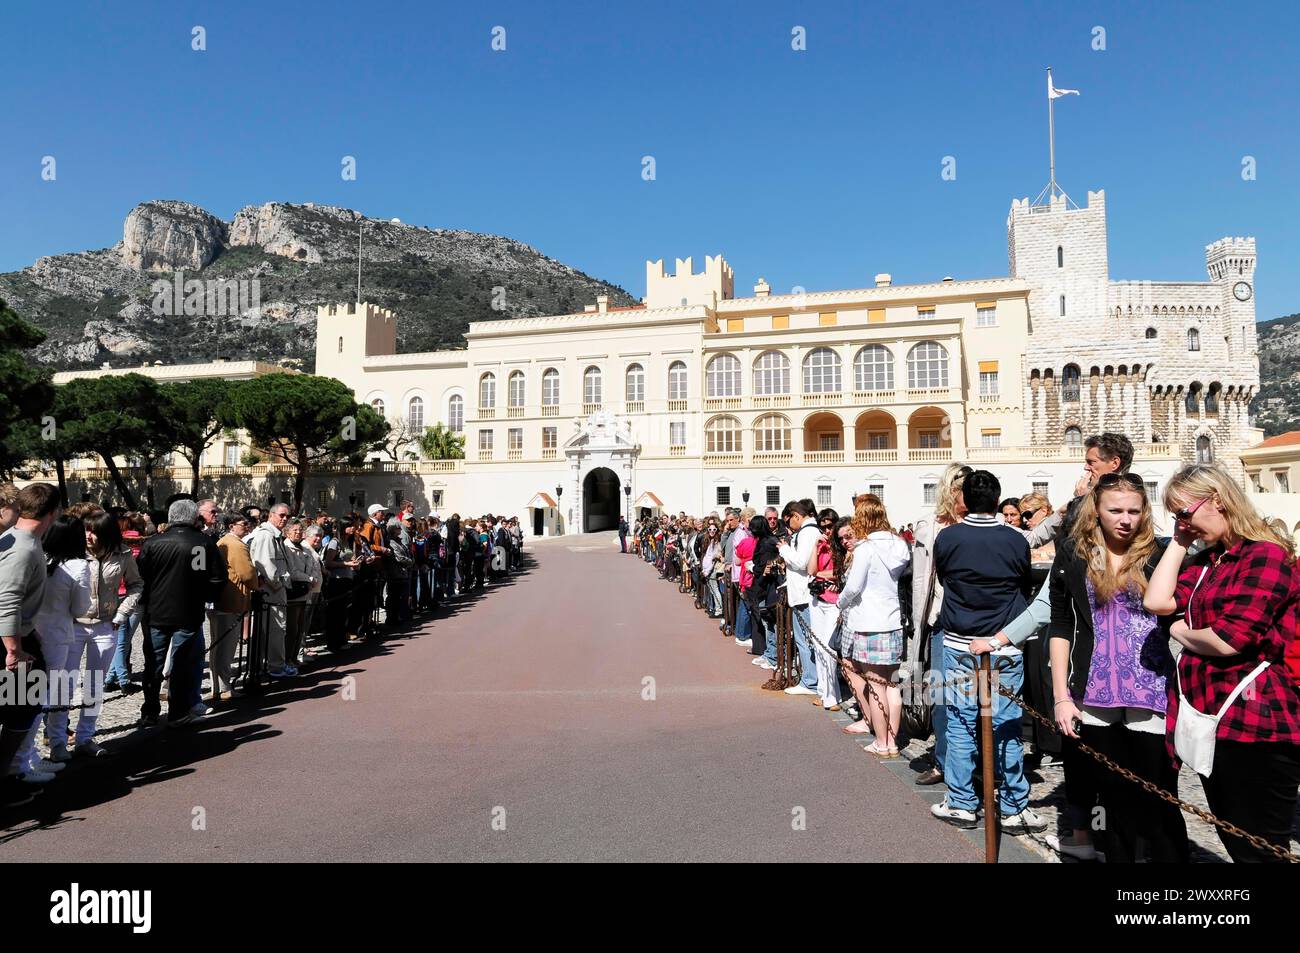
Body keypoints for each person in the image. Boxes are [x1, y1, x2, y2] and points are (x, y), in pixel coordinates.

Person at [1144, 463, 1300, 863]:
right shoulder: (1209, 561)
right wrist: (1178, 542)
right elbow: (1156, 601)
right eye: (1176, 516)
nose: (1182, 523)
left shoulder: (1265, 555)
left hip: (1257, 723)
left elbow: (1230, 641)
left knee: (1261, 849)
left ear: (1217, 499)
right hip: (1213, 718)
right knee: (1237, 841)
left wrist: (1178, 631)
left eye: (1184, 512)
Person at [1044, 472, 1189, 862]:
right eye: (1115, 510)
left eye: (1134, 511)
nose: (1125, 519)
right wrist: (1061, 696)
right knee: (1108, 795)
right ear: (1097, 511)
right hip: (1093, 690)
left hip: (1151, 685)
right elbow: (1061, 625)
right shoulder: (1074, 555)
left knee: (1160, 794)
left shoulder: (1159, 553)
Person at [930, 469, 1045, 833]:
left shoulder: (948, 537)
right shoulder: (1014, 539)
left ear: (963, 499)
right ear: (998, 501)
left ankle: (963, 801)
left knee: (962, 723)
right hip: (1003, 640)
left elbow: (945, 578)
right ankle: (1012, 806)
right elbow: (1024, 583)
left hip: (960, 640)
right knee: (1006, 725)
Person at [137, 499, 226, 726]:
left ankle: (149, 710)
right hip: (189, 612)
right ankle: (177, 711)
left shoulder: (153, 543)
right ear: (193, 516)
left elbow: (141, 577)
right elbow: (217, 579)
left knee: (153, 664)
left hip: (156, 612)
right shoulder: (203, 543)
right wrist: (205, 596)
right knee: (181, 664)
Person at [0, 485, 63, 805]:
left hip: (20, 637)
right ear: (53, 512)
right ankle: (5, 779)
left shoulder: (21, 541)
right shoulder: (24, 547)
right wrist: (13, 647)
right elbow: (7, 600)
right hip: (11, 645)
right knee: (19, 710)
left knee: (20, 709)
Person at [908, 462, 970, 786]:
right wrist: (920, 626)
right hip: (941, 621)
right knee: (943, 697)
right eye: (961, 489)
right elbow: (920, 580)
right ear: (950, 491)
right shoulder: (930, 527)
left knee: (980, 698)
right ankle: (945, 761)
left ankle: (973, 766)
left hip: (978, 622)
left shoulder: (984, 523)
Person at [65, 509, 143, 756]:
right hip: (73, 625)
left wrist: (122, 614)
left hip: (105, 624)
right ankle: (57, 740)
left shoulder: (123, 553)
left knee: (94, 684)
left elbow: (136, 585)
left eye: (93, 531)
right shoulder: (73, 552)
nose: (88, 536)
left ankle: (85, 738)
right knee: (62, 682)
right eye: (85, 529)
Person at [836, 497, 910, 754]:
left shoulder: (865, 548)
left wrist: (840, 601)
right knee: (892, 684)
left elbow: (854, 586)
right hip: (891, 618)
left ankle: (883, 741)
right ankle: (893, 740)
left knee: (876, 686)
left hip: (867, 620)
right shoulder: (899, 544)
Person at [17, 515, 89, 780]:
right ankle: (28, 758)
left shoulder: (37, 556)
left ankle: (29, 755)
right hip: (57, 637)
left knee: (24, 698)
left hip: (28, 633)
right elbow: (81, 608)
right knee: (44, 699)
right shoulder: (78, 566)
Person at [777, 500, 821, 697]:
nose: (788, 527)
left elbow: (801, 562)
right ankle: (812, 678)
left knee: (805, 640)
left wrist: (784, 549)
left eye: (789, 522)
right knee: (806, 639)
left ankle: (810, 681)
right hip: (802, 592)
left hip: (804, 594)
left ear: (796, 515)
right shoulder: (810, 531)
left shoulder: (807, 532)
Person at [211, 512, 256, 700]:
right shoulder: (236, 544)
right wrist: (258, 584)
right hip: (232, 599)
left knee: (218, 646)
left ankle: (218, 687)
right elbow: (247, 574)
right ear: (231, 526)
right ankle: (224, 688)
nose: (246, 526)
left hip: (223, 599)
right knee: (227, 647)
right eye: (243, 523)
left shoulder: (223, 542)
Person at [249, 502, 294, 677]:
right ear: (271, 515)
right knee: (275, 629)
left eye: (287, 516)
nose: (285, 519)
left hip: (275, 589)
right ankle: (275, 665)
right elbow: (266, 566)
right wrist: (279, 584)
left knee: (274, 629)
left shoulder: (274, 535)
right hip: (271, 591)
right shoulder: (266, 536)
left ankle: (270, 664)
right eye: (281, 515)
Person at [807, 508, 843, 711]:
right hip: (817, 599)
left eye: (830, 526)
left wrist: (822, 574)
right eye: (823, 527)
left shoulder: (841, 547)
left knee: (829, 649)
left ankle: (831, 697)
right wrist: (815, 546)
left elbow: (840, 571)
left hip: (833, 602)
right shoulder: (821, 545)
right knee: (818, 647)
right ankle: (825, 692)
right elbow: (811, 570)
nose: (827, 530)